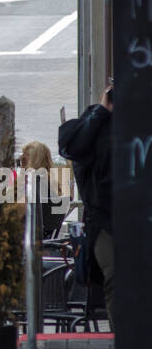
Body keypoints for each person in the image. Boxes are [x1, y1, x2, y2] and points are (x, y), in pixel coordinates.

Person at [58, 83, 113, 329]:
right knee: (116, 278)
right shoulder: (95, 123)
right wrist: (103, 109)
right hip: (107, 222)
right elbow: (73, 147)